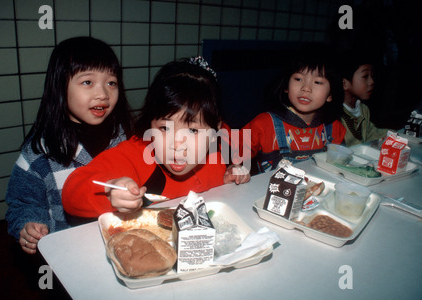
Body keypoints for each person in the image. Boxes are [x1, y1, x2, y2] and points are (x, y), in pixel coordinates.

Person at [62, 57, 250, 218]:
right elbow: (72, 193)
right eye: (164, 128)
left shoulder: (222, 145)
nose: (176, 145)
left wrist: (232, 175)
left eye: (193, 131)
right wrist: (111, 189)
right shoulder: (137, 153)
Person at [5, 37, 134, 254]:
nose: (103, 93)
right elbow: (22, 203)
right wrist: (29, 225)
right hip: (69, 253)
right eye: (87, 82)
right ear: (59, 86)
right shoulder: (39, 152)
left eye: (111, 82)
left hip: (124, 244)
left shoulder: (125, 138)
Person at [241, 44, 346, 173]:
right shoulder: (264, 124)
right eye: (298, 79)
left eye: (317, 82)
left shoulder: (334, 128)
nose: (306, 88)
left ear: (330, 95)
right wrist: (235, 167)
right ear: (286, 86)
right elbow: (231, 151)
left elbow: (341, 167)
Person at [339, 51, 388, 146]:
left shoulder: (363, 110)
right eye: (365, 77)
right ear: (344, 83)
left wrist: (399, 136)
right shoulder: (335, 115)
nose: (371, 82)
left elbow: (372, 133)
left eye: (372, 76)